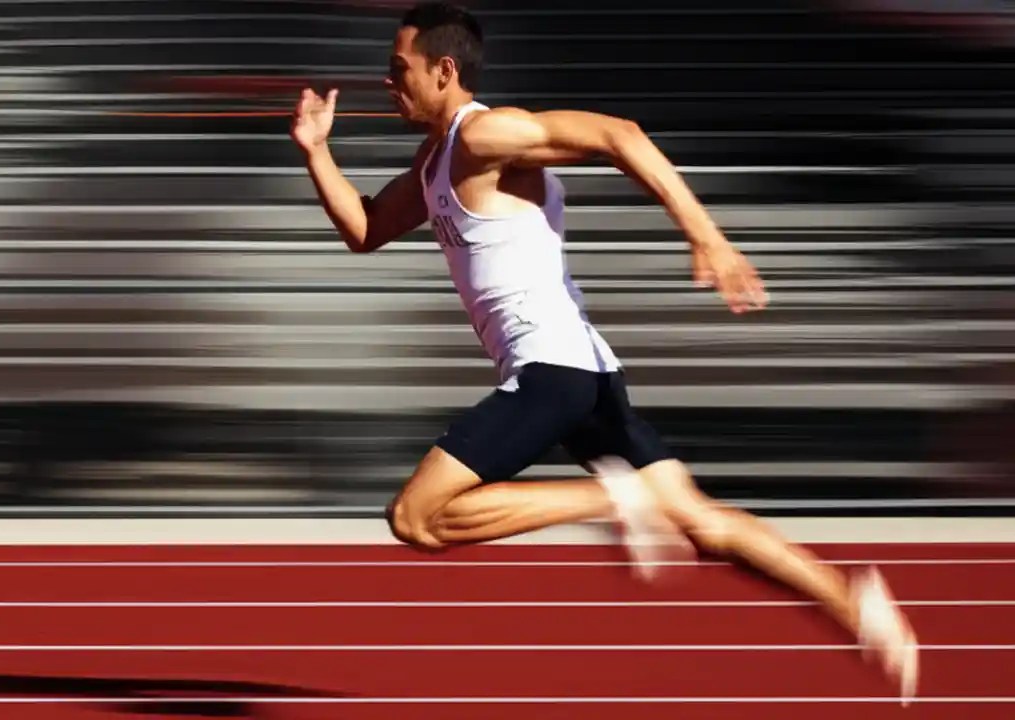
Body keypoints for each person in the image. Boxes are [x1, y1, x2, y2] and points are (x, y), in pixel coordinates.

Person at [291, 0, 918, 704]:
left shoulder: (487, 134)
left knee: (418, 517)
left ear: (444, 70)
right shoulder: (437, 158)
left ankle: (615, 498)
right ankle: (855, 605)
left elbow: (620, 135)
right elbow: (367, 228)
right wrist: (317, 152)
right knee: (701, 522)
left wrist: (706, 237)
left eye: (398, 69)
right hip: (583, 370)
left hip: (552, 371)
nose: (387, 83)